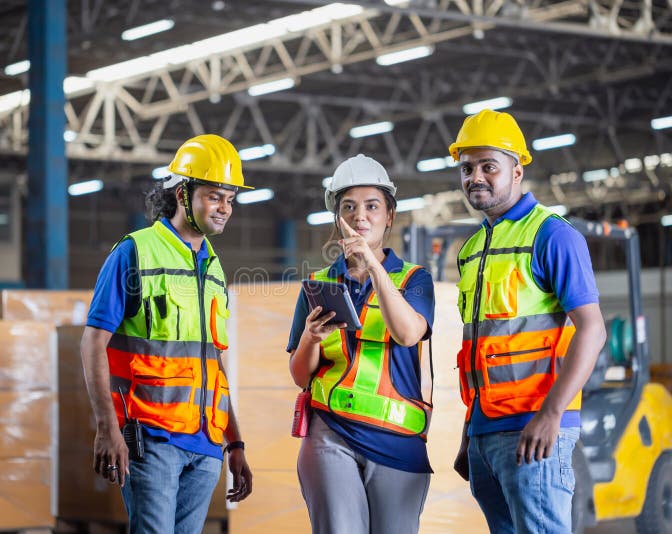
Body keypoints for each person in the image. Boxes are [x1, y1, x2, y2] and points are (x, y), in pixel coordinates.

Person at [80, 134, 253, 534]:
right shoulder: (134, 252)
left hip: (206, 446)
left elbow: (213, 361)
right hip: (152, 439)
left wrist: (235, 443)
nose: (225, 208)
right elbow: (93, 343)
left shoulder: (213, 266)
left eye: (230, 199)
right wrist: (108, 429)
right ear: (182, 194)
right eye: (214, 196)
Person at [449, 110, 607, 533]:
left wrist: (551, 414)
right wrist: (470, 431)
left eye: (488, 166)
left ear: (517, 170)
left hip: (534, 430)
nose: (475, 177)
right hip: (486, 433)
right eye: (467, 168)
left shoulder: (552, 235)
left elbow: (593, 329)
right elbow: (481, 349)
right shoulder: (472, 249)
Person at [287, 154, 435, 534]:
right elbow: (300, 374)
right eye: (349, 207)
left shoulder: (415, 281)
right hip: (330, 433)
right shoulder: (319, 283)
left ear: (390, 215)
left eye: (372, 206)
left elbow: (407, 333)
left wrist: (372, 264)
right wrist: (310, 338)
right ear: (337, 218)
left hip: (398, 443)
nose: (359, 216)